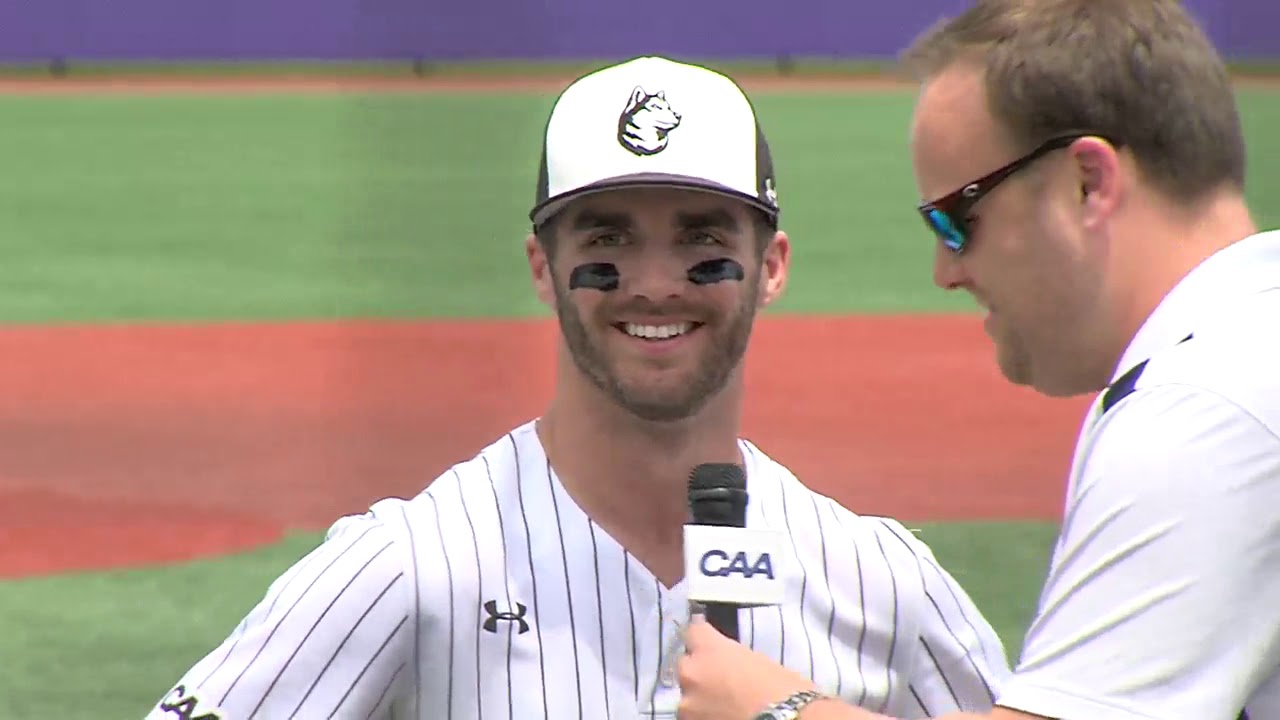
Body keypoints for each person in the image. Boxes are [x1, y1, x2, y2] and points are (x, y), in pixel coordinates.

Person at [143, 56, 1011, 719]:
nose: (656, 282)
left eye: (700, 237)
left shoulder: (879, 582)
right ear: (542, 267)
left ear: (771, 266)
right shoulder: (412, 567)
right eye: (610, 239)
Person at [674, 1, 1280, 719]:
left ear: (1088, 181)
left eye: (956, 219)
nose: (944, 271)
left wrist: (777, 708)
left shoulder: (1202, 408)